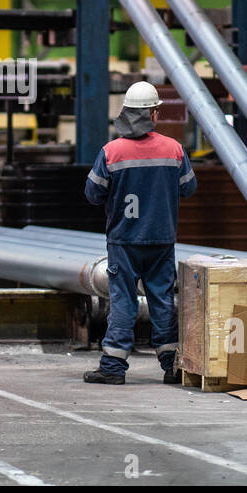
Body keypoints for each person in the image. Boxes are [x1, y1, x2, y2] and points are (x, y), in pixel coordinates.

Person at [83, 81, 196, 385]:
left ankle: (113, 367)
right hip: (161, 241)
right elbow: (189, 188)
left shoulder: (111, 152)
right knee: (162, 299)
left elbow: (93, 194)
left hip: (124, 241)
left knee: (123, 301)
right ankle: (172, 366)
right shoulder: (174, 149)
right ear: (154, 114)